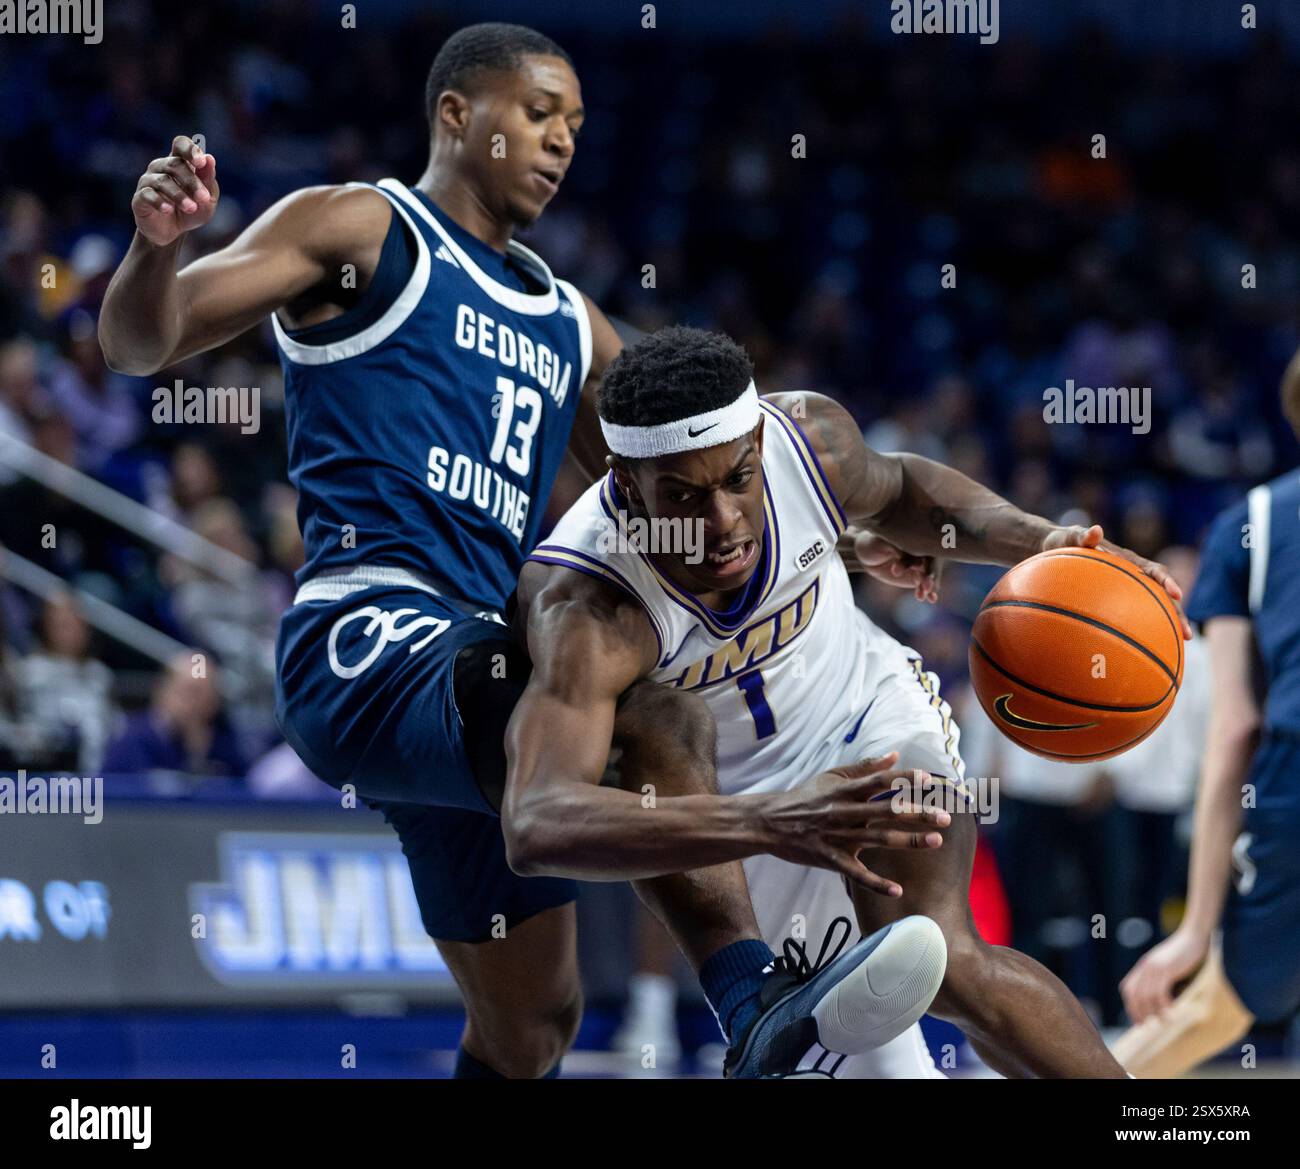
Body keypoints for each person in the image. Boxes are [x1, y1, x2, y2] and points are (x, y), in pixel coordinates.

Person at [99, 22, 949, 1079]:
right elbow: (141, 341)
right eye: (539, 114)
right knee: (651, 713)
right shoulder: (363, 226)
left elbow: (690, 478)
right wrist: (156, 246)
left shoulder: (565, 318)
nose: (560, 143)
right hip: (368, 639)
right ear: (458, 114)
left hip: (480, 687)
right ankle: (752, 995)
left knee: (531, 1025)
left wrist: (844, 536)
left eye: (577, 127)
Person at [518, 325, 1193, 1077]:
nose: (725, 523)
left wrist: (1040, 542)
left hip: (868, 719)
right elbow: (538, 818)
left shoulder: (809, 440)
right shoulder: (584, 603)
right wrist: (760, 821)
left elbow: (900, 487)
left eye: (740, 478)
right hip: (747, 818)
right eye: (682, 496)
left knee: (945, 958)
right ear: (622, 478)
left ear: (757, 440)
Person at [1117, 352, 1300, 1076]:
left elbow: (1236, 727)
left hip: (1290, 786)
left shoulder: (1250, 525)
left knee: (1221, 1001)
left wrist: (1196, 928)